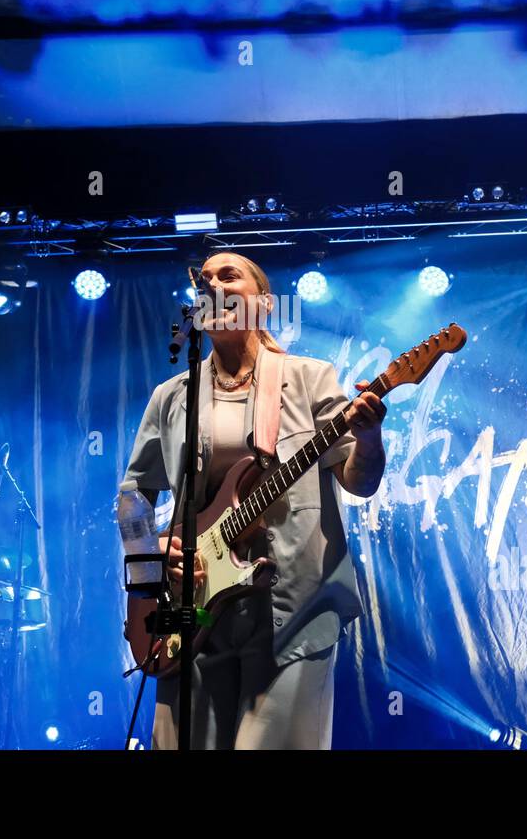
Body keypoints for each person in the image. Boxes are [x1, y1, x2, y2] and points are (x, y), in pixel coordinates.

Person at [119, 251, 387, 749]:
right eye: (204, 279)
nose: (212, 283)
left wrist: (368, 439)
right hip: (192, 609)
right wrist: (153, 560)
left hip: (290, 609)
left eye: (229, 275)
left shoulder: (308, 377)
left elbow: (359, 481)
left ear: (263, 303)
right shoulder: (172, 396)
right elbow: (133, 495)